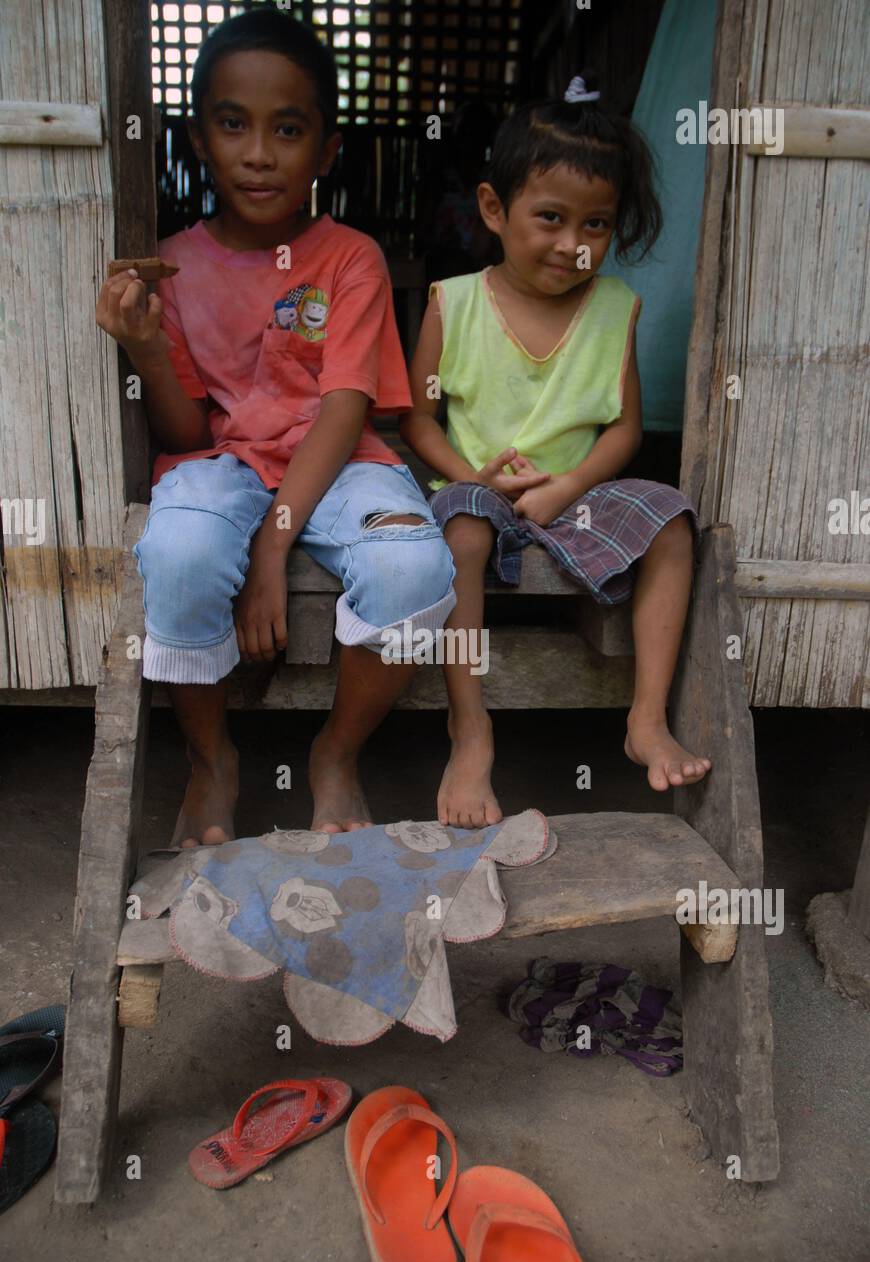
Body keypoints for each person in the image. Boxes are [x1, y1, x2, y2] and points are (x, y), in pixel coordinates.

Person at [96, 9, 455, 844]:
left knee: (409, 566)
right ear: (198, 138)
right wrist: (147, 345)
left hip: (341, 464)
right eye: (233, 124)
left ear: (327, 150)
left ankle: (335, 754)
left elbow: (343, 407)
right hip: (223, 462)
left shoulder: (351, 258)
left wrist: (271, 547)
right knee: (179, 556)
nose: (258, 153)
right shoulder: (175, 265)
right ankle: (212, 759)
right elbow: (185, 431)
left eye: (288, 129)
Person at [400, 75, 711, 829]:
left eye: (597, 224)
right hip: (473, 487)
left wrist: (568, 485)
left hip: (575, 492)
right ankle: (470, 727)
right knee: (464, 526)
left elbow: (626, 432)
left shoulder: (614, 310)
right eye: (551, 218)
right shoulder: (454, 302)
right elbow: (415, 419)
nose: (574, 244)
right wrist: (467, 476)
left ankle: (645, 718)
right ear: (493, 210)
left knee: (672, 521)